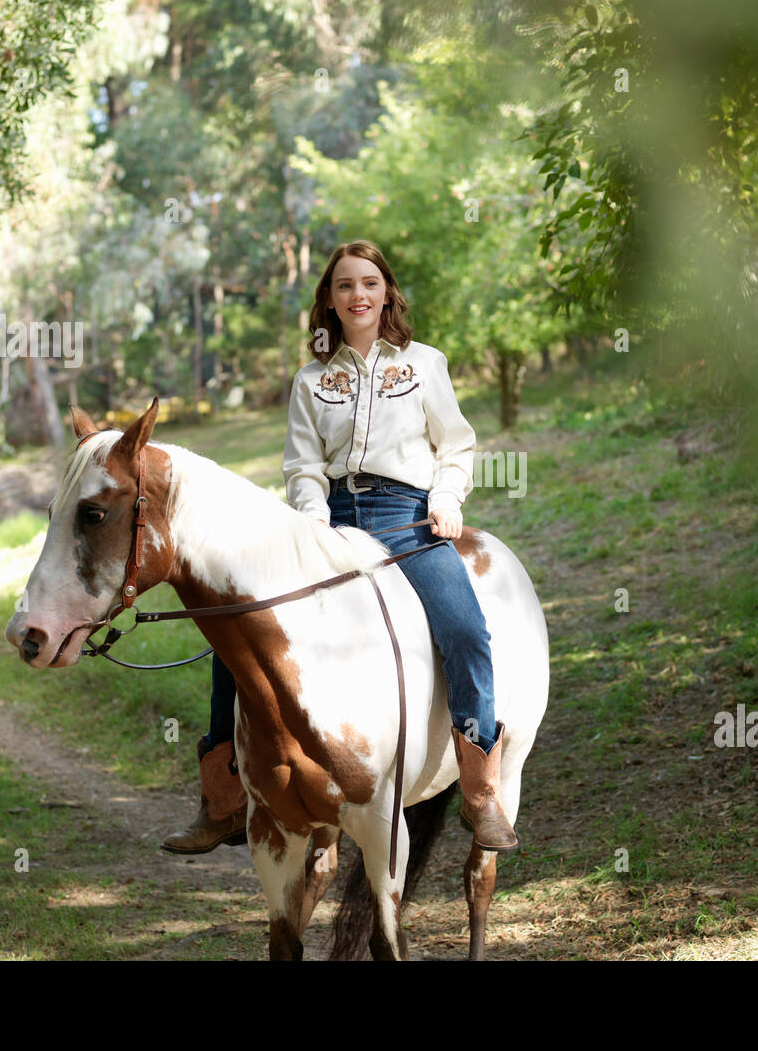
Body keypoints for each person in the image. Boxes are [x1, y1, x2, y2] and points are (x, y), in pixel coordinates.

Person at [161, 239, 517, 855]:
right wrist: (311, 521)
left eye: (369, 284)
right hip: (327, 518)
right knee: (238, 630)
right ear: (329, 298)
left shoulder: (425, 364)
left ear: (387, 295)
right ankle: (223, 798)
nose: (358, 295)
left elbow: (455, 445)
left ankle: (481, 791)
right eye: (345, 285)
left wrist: (448, 497)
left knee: (465, 629)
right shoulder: (310, 380)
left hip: (407, 520)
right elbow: (302, 464)